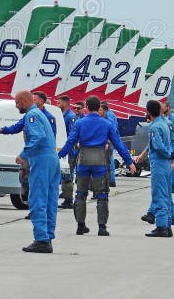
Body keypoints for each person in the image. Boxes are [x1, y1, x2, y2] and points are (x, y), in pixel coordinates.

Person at [58, 96, 136, 236]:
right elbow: (119, 144)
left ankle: (80, 225)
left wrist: (57, 156)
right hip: (100, 161)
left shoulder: (80, 123)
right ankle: (102, 227)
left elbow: (70, 142)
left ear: (86, 107)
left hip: (83, 160)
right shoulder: (106, 124)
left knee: (81, 194)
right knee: (102, 195)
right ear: (98, 107)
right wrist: (129, 162)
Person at [0, 90, 60, 252]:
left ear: (24, 101)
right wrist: (3, 130)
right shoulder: (38, 114)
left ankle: (41, 240)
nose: (16, 105)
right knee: (50, 200)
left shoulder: (32, 116)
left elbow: (37, 137)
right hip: (52, 159)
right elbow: (19, 127)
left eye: (17, 102)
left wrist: (23, 154)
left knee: (37, 198)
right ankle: (48, 236)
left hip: (41, 159)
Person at [143, 100, 174, 237]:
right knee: (166, 194)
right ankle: (167, 225)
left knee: (159, 194)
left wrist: (168, 154)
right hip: (166, 164)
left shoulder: (154, 127)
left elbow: (158, 146)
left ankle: (161, 226)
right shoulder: (165, 123)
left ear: (148, 112)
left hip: (159, 163)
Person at [58, 95, 77, 209]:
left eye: (59, 103)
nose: (57, 105)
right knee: (64, 174)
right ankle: (66, 195)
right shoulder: (62, 115)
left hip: (68, 150)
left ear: (65, 103)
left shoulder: (71, 117)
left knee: (67, 175)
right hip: (63, 149)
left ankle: (69, 200)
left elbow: (72, 135)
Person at [99, 101, 119, 187]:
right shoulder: (113, 115)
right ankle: (111, 180)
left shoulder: (108, 117)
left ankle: (109, 180)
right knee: (110, 160)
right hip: (110, 141)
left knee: (107, 161)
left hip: (106, 142)